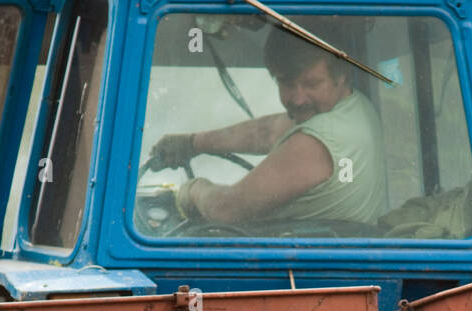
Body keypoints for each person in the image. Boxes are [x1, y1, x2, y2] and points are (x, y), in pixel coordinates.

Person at [147, 27, 386, 226]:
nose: (297, 98)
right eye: (286, 82)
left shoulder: (316, 142)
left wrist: (193, 191)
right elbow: (268, 131)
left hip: (303, 272)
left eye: (311, 83)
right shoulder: (353, 108)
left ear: (341, 76)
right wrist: (193, 142)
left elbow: (227, 209)